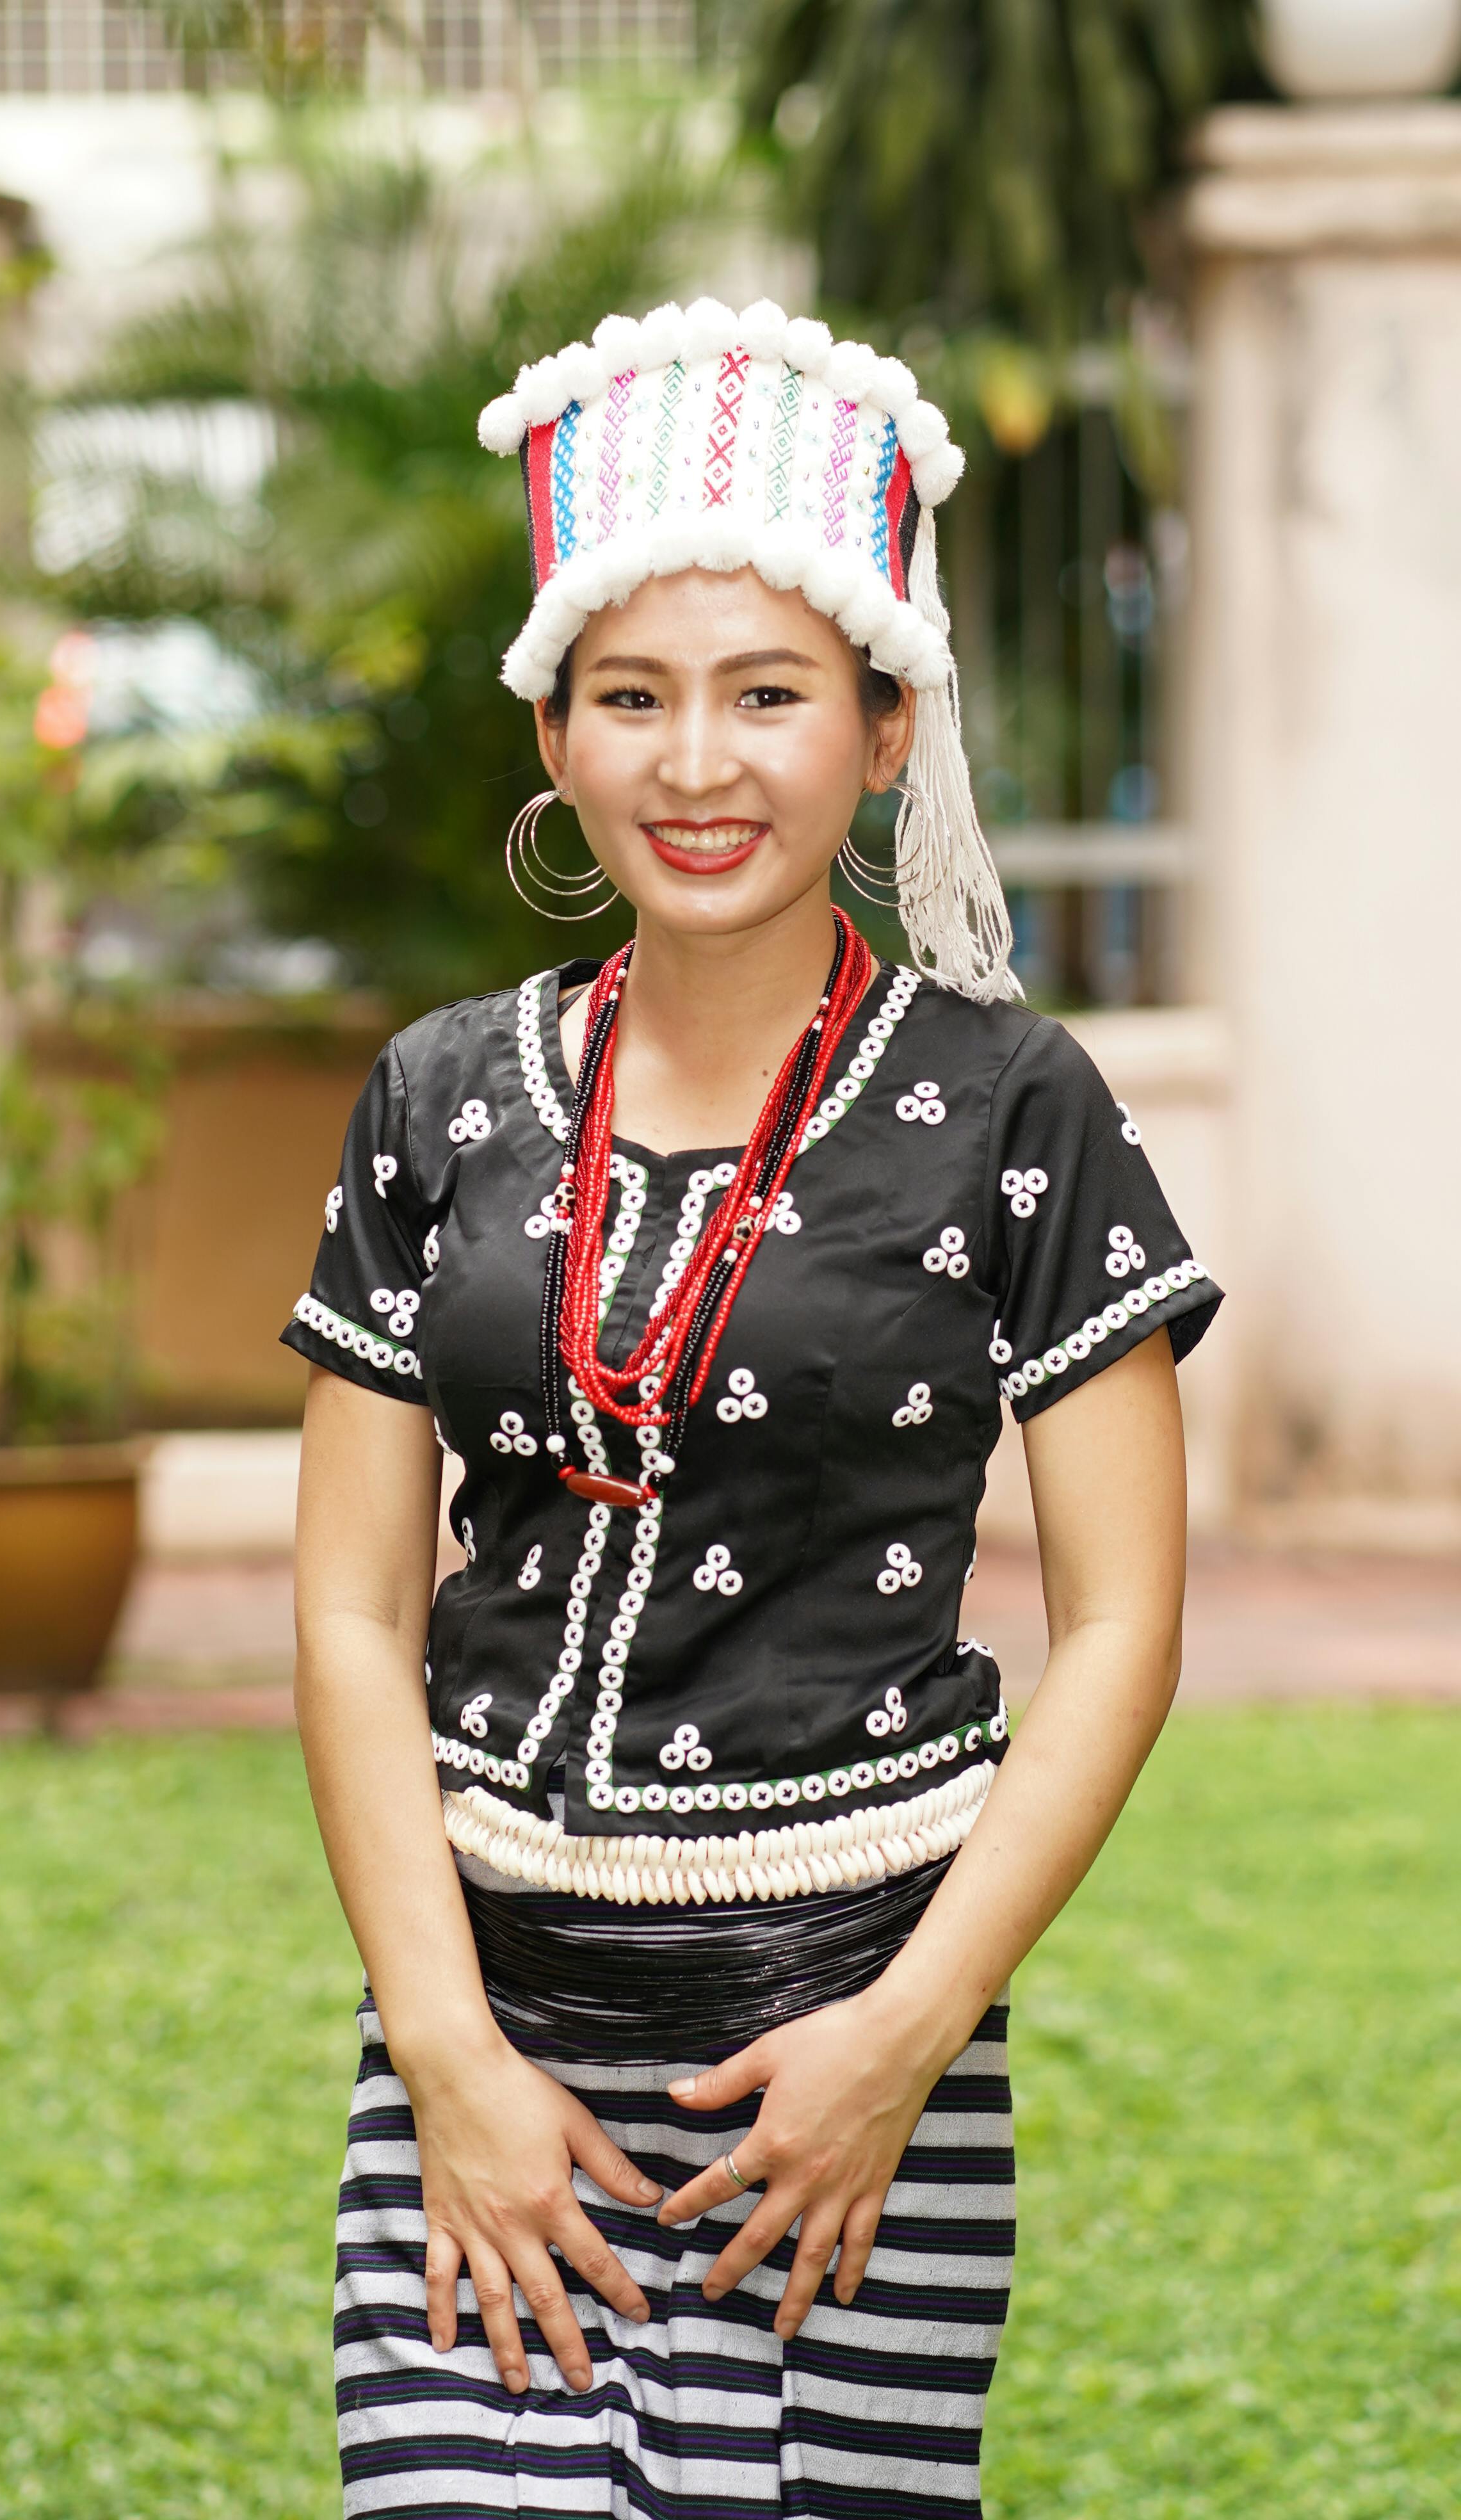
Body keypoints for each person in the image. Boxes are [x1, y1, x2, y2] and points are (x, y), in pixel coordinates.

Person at [282, 296, 1222, 2517]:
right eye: (635, 696)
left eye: (770, 694)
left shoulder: (1013, 1105)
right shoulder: (437, 1096)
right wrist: (447, 2056)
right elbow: (345, 1613)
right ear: (560, 729)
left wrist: (901, 2045)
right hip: (485, 2015)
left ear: (887, 730)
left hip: (851, 2033)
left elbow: (1123, 1627)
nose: (697, 763)